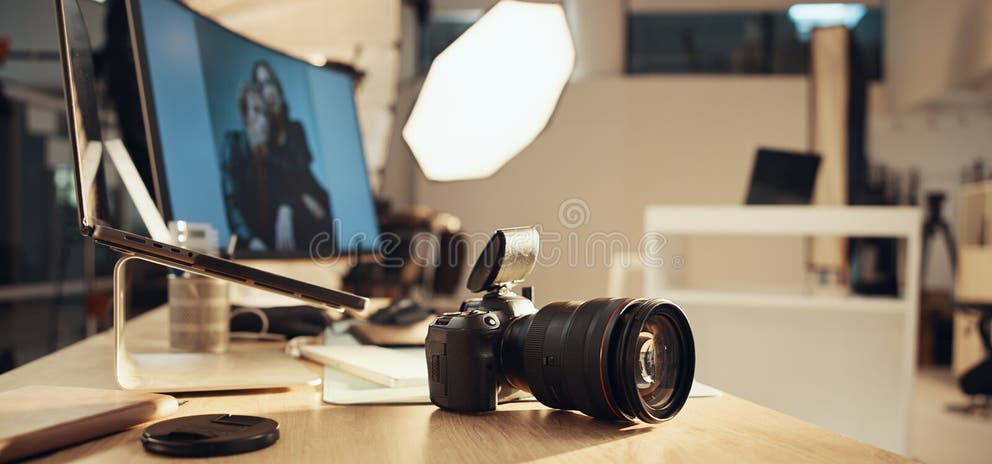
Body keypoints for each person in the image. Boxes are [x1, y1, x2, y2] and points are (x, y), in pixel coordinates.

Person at [220, 62, 334, 253]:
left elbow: (295, 176)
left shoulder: (283, 140)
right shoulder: (234, 144)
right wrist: (253, 242)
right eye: (256, 112)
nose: (263, 120)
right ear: (245, 116)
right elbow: (233, 204)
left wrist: (290, 205)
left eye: (265, 113)